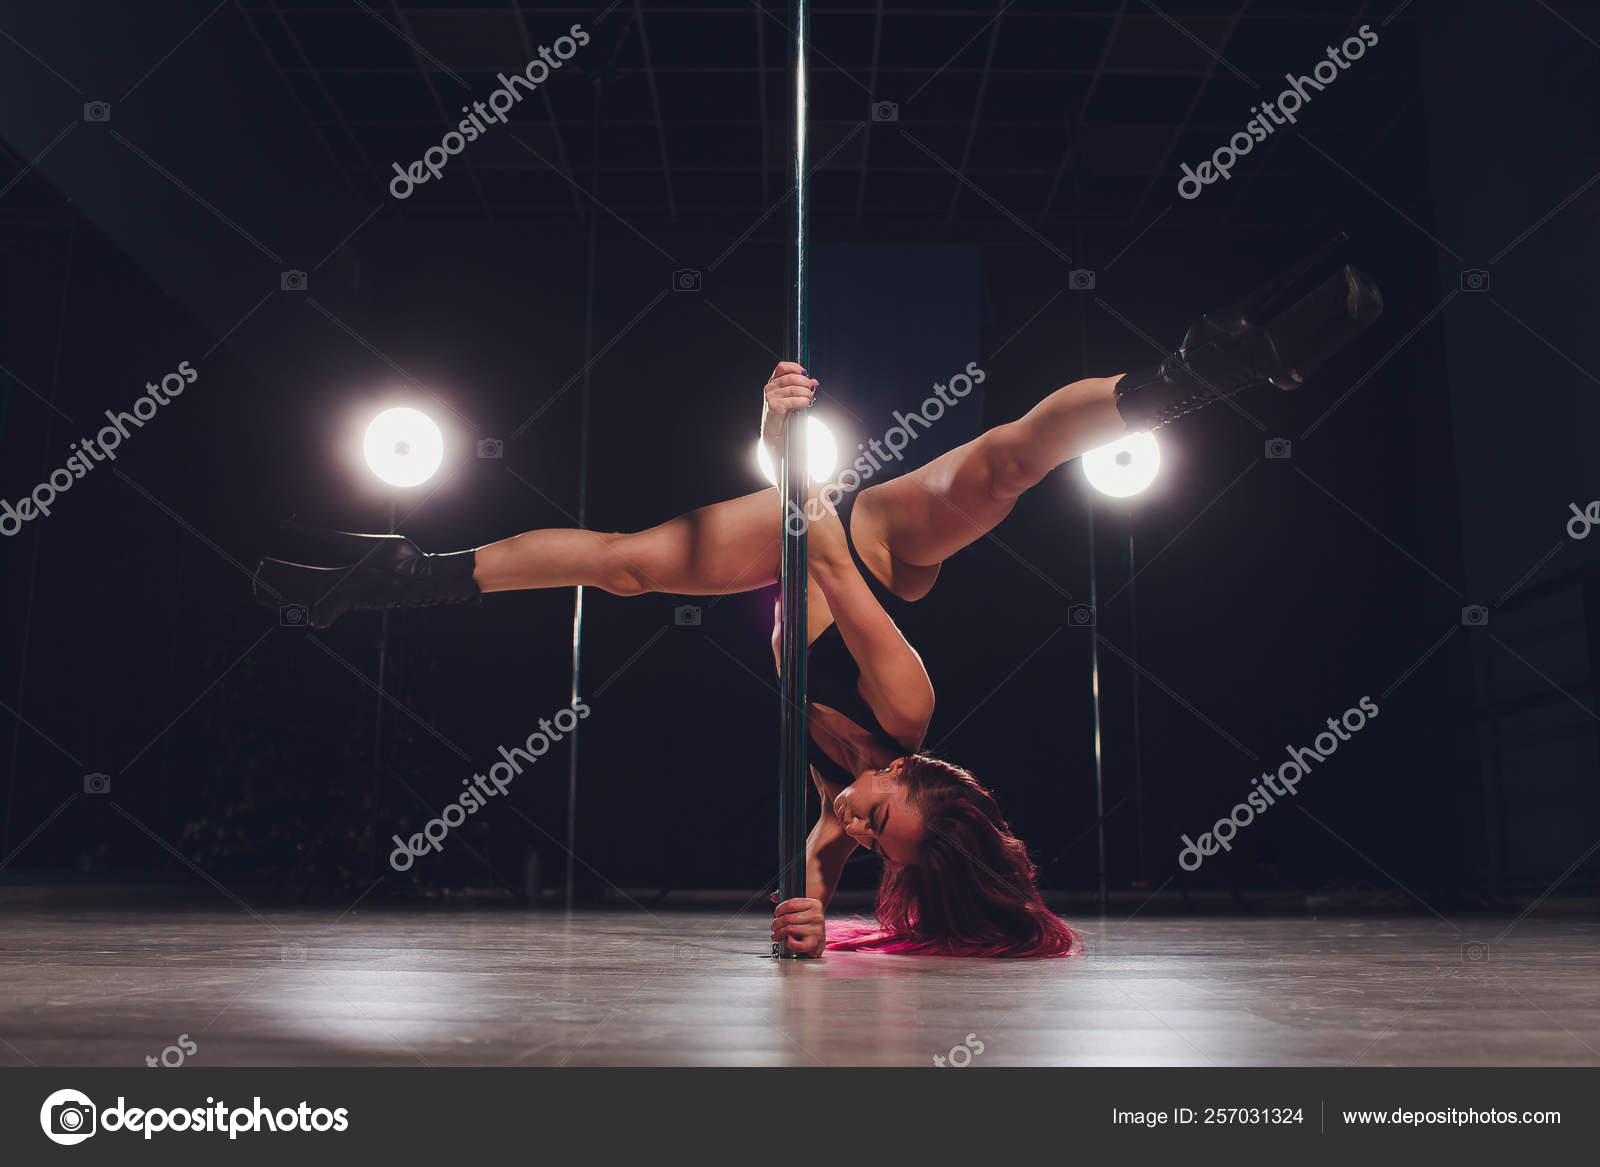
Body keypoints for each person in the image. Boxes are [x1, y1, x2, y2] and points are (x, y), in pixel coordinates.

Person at [254, 259, 1381, 957]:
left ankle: (401, 577)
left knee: (626, 569)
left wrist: (807, 923)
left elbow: (815, 866)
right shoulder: (904, 709)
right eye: (879, 818)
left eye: (871, 841)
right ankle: (1195, 374)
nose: (857, 822)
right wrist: (773, 435)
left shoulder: (846, 805)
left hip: (807, 564)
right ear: (910, 780)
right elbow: (828, 546)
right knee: (1003, 466)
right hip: (868, 549)